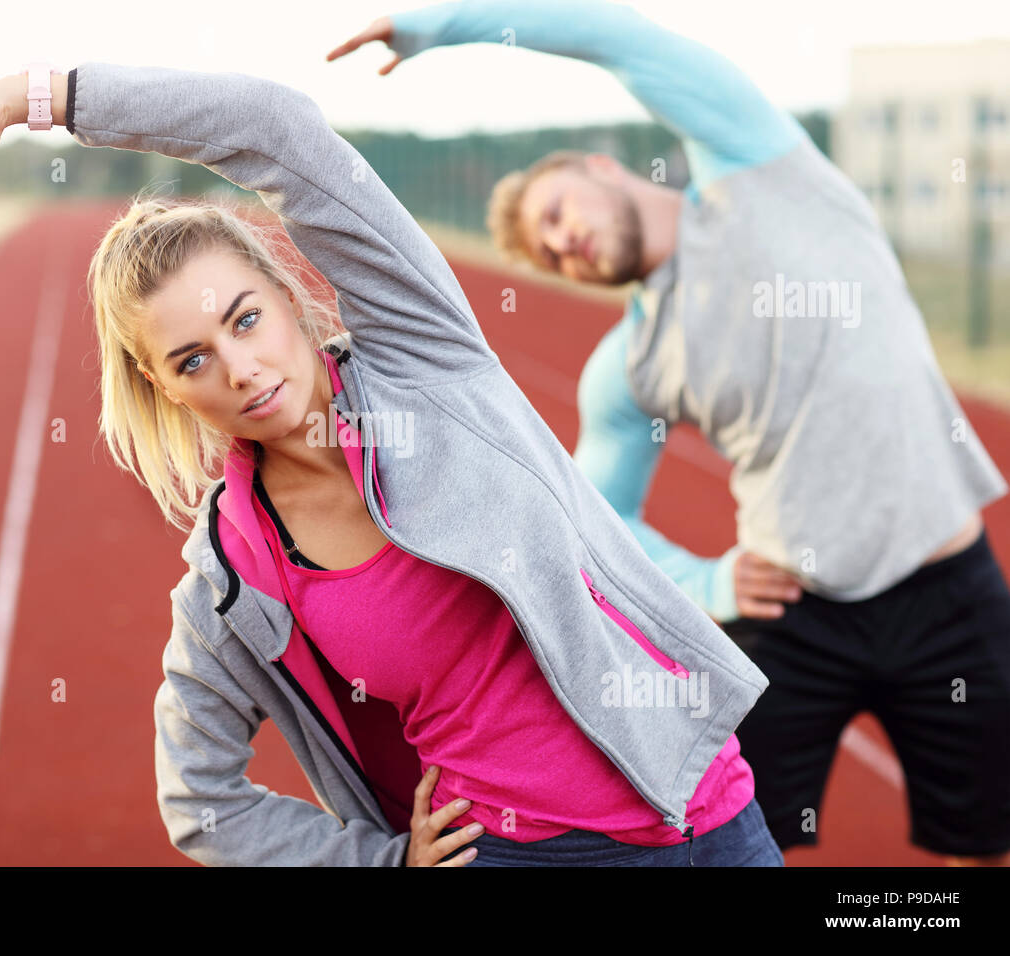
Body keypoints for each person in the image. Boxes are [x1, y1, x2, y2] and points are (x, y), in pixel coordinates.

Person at [0, 59, 780, 866]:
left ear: (292, 298)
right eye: (193, 360)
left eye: (243, 319)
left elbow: (276, 129)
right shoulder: (234, 579)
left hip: (709, 816)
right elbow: (200, 798)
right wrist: (376, 861)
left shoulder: (429, 358)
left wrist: (31, 97)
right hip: (509, 856)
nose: (240, 367)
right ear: (167, 388)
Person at [329, 0, 1010, 864]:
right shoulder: (631, 365)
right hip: (793, 616)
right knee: (735, 833)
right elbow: (595, 528)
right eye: (548, 252)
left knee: (980, 844)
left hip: (947, 585)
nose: (562, 242)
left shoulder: (762, 169)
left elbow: (625, 39)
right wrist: (712, 578)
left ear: (601, 165)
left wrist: (438, 28)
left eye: (557, 210)